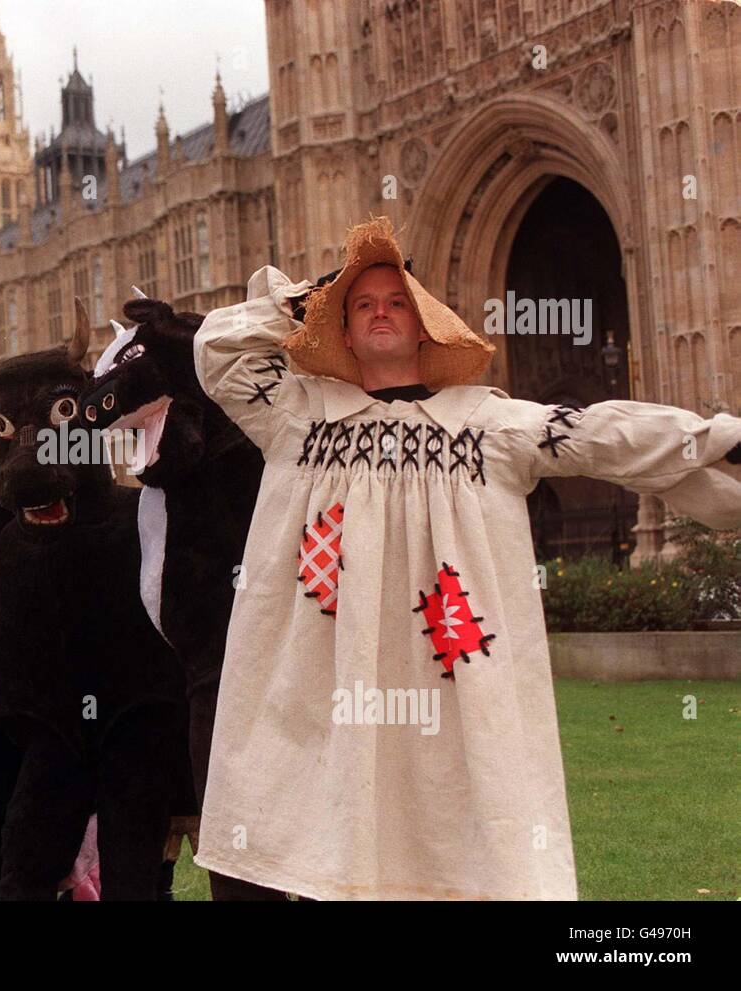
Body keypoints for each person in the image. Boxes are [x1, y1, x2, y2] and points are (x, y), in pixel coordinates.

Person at [191, 215, 741, 900]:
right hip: (318, 682)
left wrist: (717, 440)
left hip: (448, 692)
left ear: (423, 323)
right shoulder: (297, 417)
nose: (381, 312)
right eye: (362, 304)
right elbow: (216, 349)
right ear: (342, 326)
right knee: (305, 841)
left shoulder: (486, 425)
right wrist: (305, 297)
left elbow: (600, 435)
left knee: (449, 847)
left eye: (397, 301)